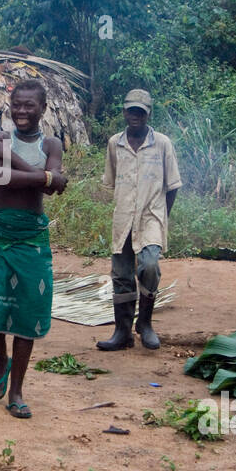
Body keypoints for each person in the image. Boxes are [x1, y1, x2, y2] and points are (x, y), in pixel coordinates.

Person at [0, 79, 66, 419]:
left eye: (30, 105)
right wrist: (46, 177)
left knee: (27, 315)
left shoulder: (52, 142)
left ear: (43, 108)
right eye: (17, 105)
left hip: (32, 237)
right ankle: (1, 358)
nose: (22, 111)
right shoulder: (0, 138)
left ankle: (16, 390)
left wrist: (28, 171)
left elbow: (21, 176)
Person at [96, 89, 182, 352]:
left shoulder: (163, 144)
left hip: (152, 217)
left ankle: (144, 324)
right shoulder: (115, 144)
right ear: (124, 111)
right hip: (123, 218)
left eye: (140, 112)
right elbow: (111, 182)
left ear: (148, 114)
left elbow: (173, 185)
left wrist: (161, 217)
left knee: (149, 266)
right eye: (131, 111)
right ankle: (122, 332)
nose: (135, 116)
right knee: (121, 275)